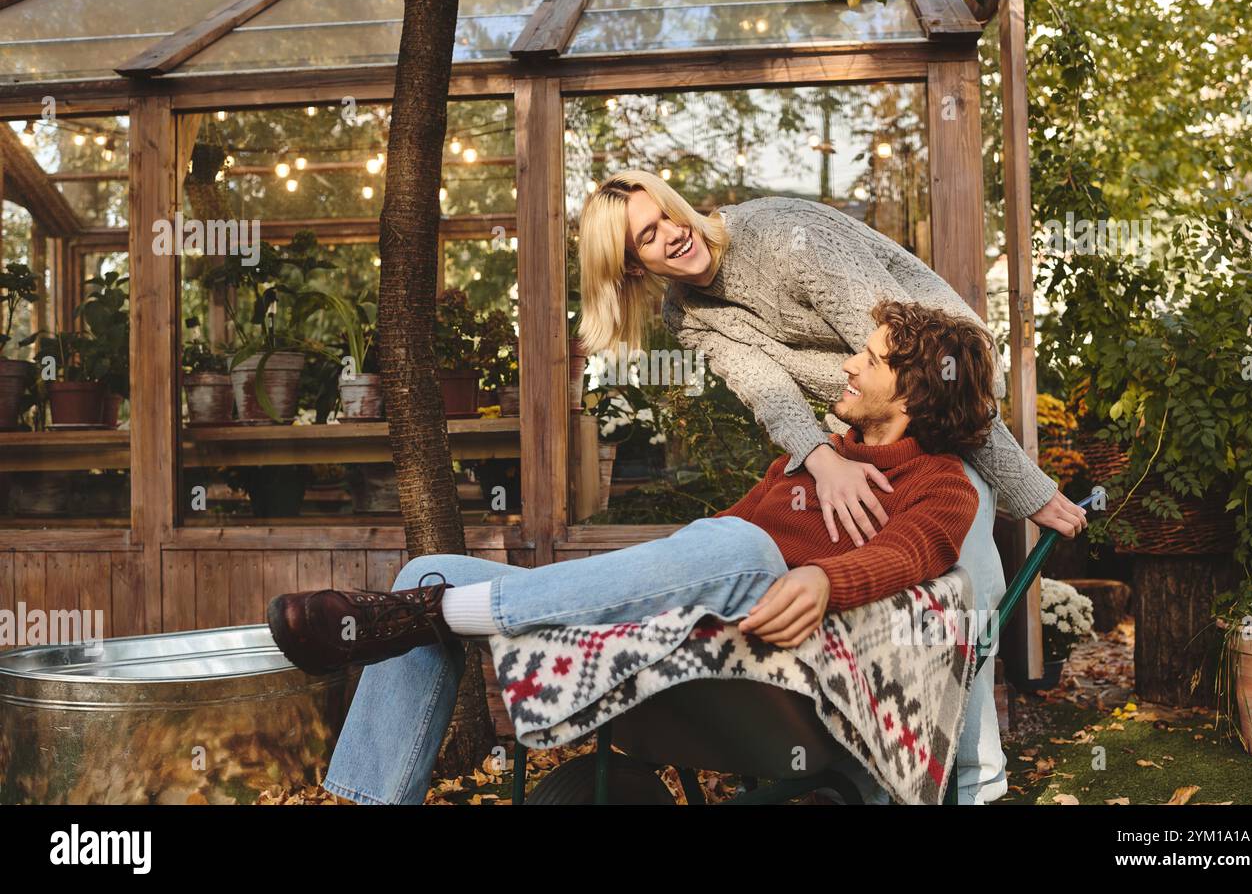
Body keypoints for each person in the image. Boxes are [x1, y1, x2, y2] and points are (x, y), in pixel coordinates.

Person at [268, 301, 1024, 805]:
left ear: (915, 389)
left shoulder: (943, 483)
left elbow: (911, 555)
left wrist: (825, 577)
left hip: (779, 669)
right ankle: (377, 775)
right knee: (423, 574)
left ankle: (437, 615)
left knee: (744, 546)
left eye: (869, 357)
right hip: (695, 622)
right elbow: (706, 548)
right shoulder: (811, 459)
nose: (849, 367)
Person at [576, 171, 1087, 547]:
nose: (673, 232)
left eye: (667, 212)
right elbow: (766, 388)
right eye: (648, 236)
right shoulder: (685, 314)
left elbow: (913, 363)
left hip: (950, 391)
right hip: (870, 413)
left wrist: (1030, 491)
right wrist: (824, 461)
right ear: (633, 268)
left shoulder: (787, 242)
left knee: (960, 552)